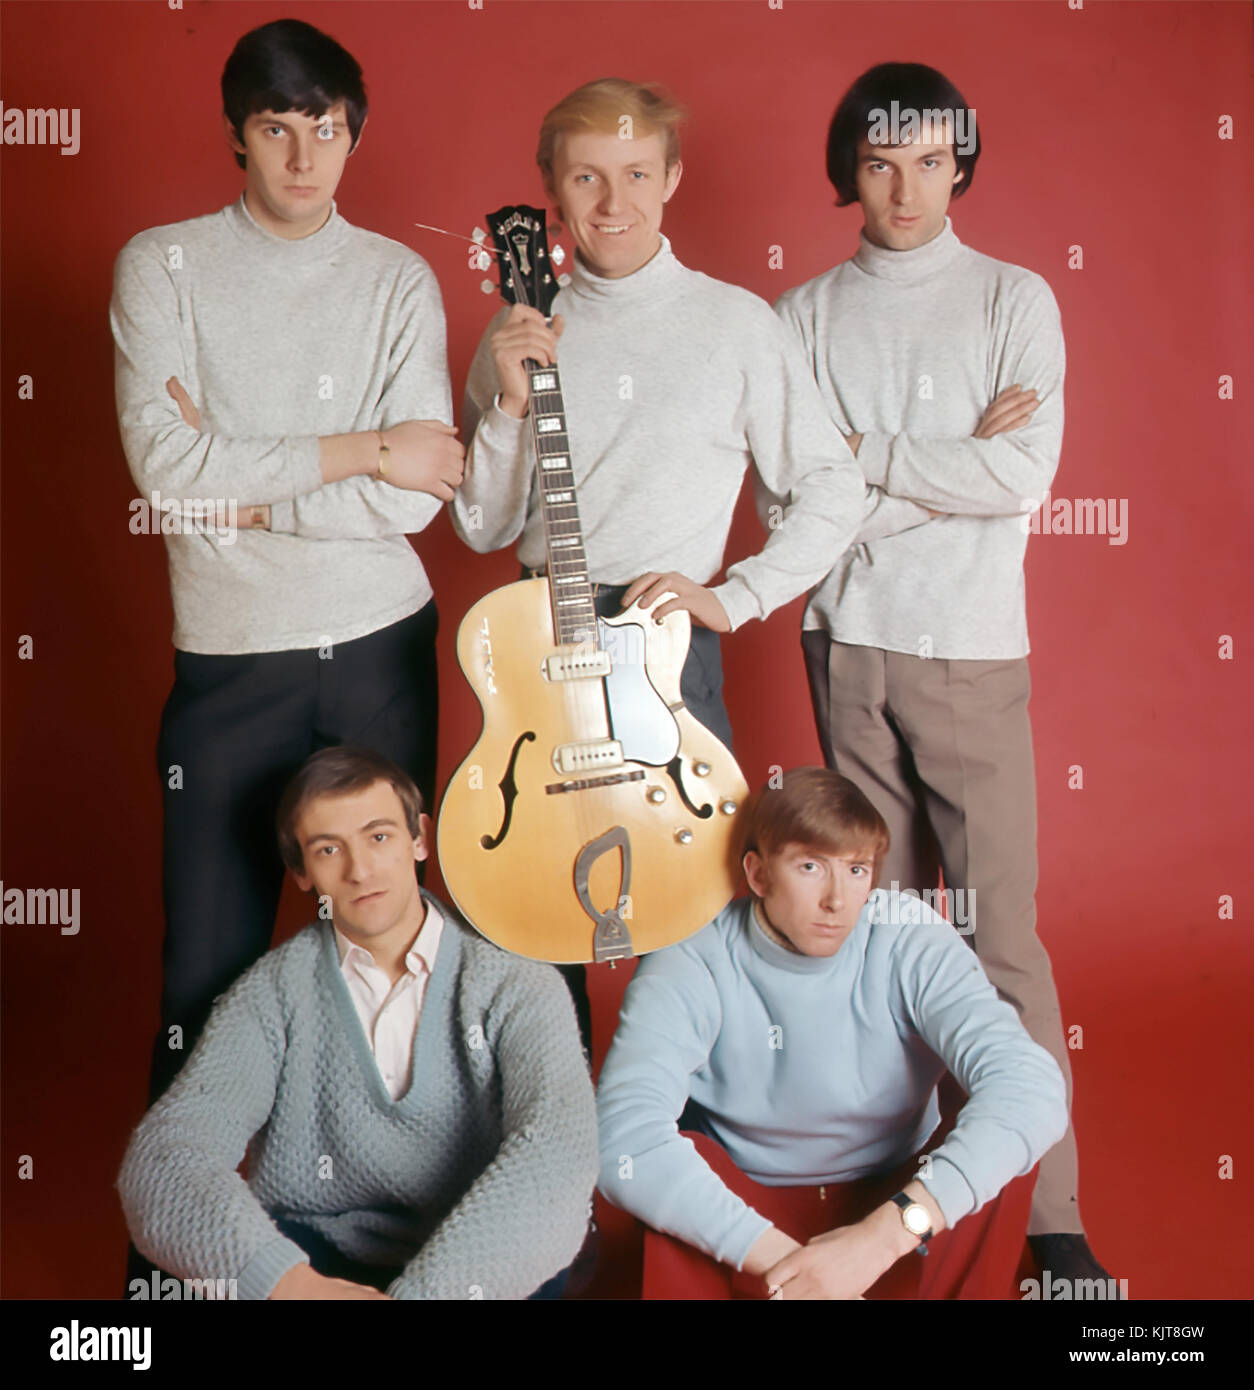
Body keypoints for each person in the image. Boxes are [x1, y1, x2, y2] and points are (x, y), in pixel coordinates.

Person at [772, 62, 1108, 1282]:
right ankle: (906, 1192)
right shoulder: (801, 314)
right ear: (846, 170)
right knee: (882, 927)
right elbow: (789, 501)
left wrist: (867, 465)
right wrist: (940, 465)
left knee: (997, 932)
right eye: (879, 161)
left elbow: (1020, 480)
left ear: (961, 161)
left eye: (928, 159)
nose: (905, 186)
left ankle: (1052, 1214)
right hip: (846, 642)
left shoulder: (1015, 299)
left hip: (970, 650)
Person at [109, 19, 464, 1101]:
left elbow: (416, 502)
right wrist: (362, 451)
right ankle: (178, 1264)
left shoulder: (399, 280)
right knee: (207, 985)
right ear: (237, 138)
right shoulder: (161, 265)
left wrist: (245, 497)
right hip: (231, 660)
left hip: (379, 646)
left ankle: (392, 1255)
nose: (305, 159)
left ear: (354, 136)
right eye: (277, 129)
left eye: (327, 129)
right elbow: (169, 476)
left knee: (389, 963)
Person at [451, 76, 864, 754]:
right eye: (587, 177)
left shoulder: (736, 326)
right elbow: (479, 529)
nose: (614, 203)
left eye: (637, 173)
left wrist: (738, 597)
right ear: (550, 184)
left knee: (684, 861)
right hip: (540, 641)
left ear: (671, 177)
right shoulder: (517, 329)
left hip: (669, 646)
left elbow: (833, 485)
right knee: (539, 857)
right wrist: (510, 407)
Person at [119, 747, 597, 1300]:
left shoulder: (519, 986)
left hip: (484, 1260)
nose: (360, 870)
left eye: (379, 836)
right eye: (328, 849)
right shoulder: (270, 995)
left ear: (419, 837)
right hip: (317, 1268)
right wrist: (292, 1287)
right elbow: (165, 1158)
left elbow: (559, 1157)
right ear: (300, 872)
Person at [596, 767, 1068, 1299]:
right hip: (749, 1211)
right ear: (758, 875)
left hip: (897, 1199)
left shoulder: (907, 935)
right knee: (671, 1170)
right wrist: (796, 1268)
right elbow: (621, 1136)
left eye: (856, 870)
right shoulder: (692, 954)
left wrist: (879, 1241)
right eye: (810, 866)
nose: (837, 900)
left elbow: (1032, 1088)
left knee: (997, 1140)